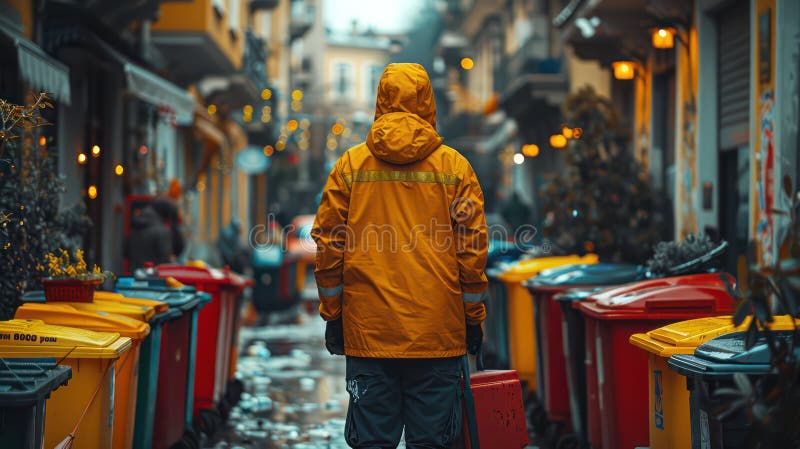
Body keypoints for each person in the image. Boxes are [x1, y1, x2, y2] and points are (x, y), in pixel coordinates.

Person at [312, 63, 488, 449]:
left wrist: (333, 313)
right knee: (433, 441)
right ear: (428, 101)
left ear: (381, 100)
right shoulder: (454, 168)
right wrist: (472, 318)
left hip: (369, 334)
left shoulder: (350, 166)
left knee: (372, 440)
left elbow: (329, 245)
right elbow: (471, 248)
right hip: (438, 334)